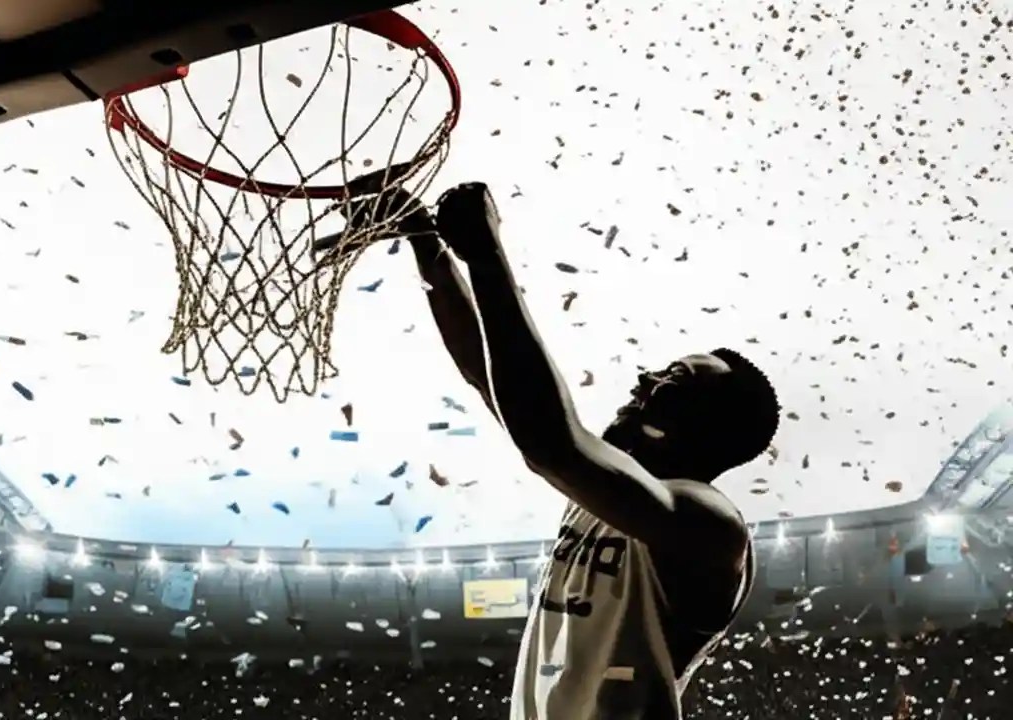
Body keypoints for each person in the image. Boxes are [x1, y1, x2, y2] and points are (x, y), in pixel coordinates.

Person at [322, 182, 780, 719]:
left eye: (674, 377)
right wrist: (426, 240)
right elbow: (484, 369)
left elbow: (550, 443)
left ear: (703, 427)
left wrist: (488, 254)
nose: (645, 376)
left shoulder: (710, 523)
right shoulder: (600, 496)